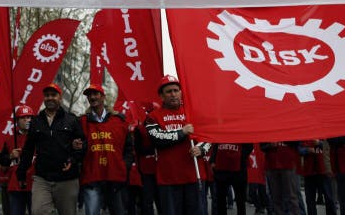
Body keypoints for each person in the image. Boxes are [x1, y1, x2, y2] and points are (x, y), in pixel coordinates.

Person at [145, 75, 210, 215]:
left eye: (176, 90)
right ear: (161, 96)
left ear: (181, 92)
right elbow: (157, 138)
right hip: (168, 179)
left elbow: (208, 136)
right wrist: (182, 132)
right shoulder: (153, 116)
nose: (173, 94)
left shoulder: (193, 112)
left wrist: (202, 148)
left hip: (194, 176)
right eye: (169, 91)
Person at [17, 83, 85, 215]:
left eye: (53, 95)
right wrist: (21, 173)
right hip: (42, 178)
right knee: (38, 211)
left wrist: (73, 159)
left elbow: (82, 146)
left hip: (67, 179)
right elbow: (28, 149)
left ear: (60, 98)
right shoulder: (36, 121)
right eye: (47, 95)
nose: (50, 98)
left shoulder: (72, 120)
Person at [79, 84, 133, 215]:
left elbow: (129, 148)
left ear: (103, 97)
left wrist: (124, 167)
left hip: (115, 178)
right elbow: (77, 150)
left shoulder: (120, 120)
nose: (92, 97)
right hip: (92, 178)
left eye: (95, 94)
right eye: (89, 95)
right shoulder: (81, 121)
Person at [0, 105, 35, 215]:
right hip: (15, 186)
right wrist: (10, 156)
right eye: (23, 118)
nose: (26, 120)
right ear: (17, 121)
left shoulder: (38, 138)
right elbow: (2, 160)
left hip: (35, 185)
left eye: (29, 117)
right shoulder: (10, 139)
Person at [210, 143, 253, 215]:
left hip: (239, 170)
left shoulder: (243, 132)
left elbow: (250, 145)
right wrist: (213, 160)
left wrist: (238, 156)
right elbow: (215, 143)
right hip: (222, 169)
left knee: (240, 201)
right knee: (220, 199)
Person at [261, 141, 301, 215]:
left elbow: (298, 142)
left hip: (288, 163)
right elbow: (261, 146)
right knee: (275, 197)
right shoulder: (266, 129)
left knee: (291, 196)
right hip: (271, 164)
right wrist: (270, 145)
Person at [298, 139, 336, 215]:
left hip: (323, 170)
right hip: (309, 171)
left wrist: (320, 143)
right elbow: (298, 149)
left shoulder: (324, 134)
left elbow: (331, 145)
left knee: (329, 197)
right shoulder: (304, 136)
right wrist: (307, 150)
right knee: (310, 199)